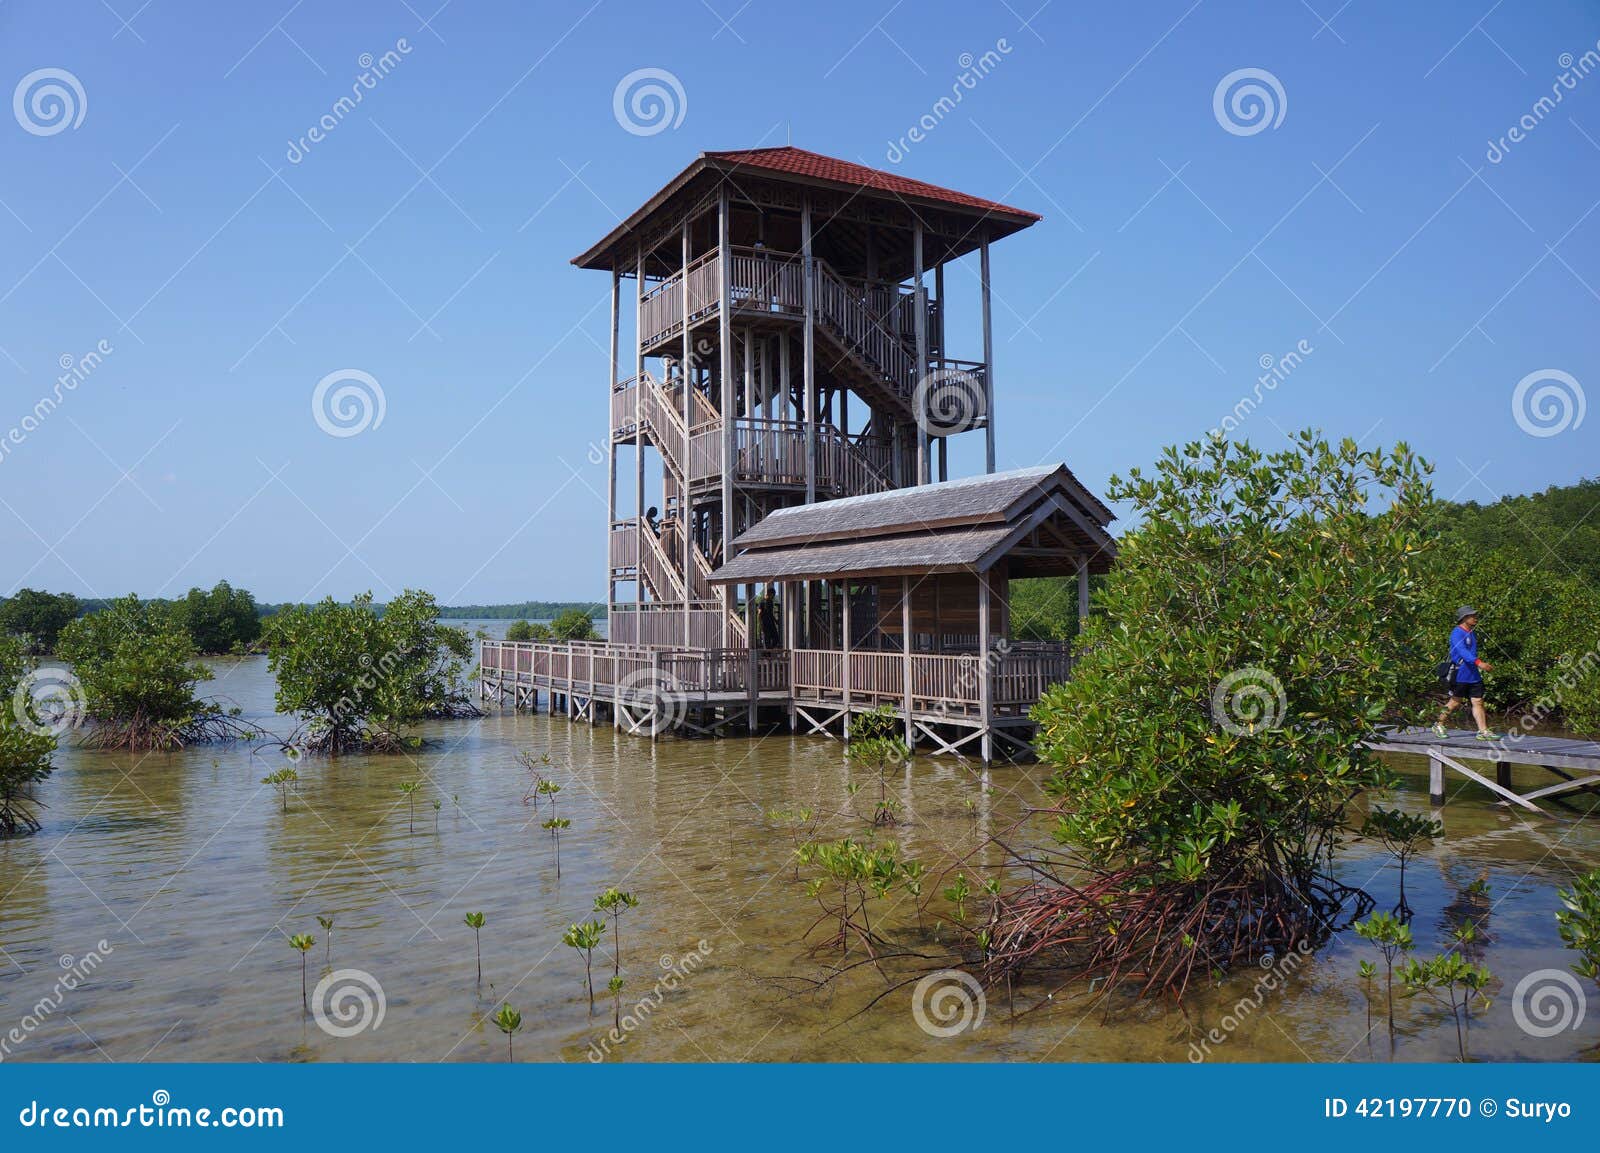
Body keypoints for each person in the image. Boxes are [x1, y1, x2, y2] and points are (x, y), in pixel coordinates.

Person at [1434, 606, 1499, 740]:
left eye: (1476, 615)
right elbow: (1463, 652)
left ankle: (1483, 731)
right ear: (1464, 618)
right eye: (1472, 616)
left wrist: (1477, 665)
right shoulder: (1456, 633)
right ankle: (1438, 724)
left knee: (1478, 701)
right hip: (1460, 673)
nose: (1475, 618)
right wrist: (1479, 663)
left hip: (1473, 674)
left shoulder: (1471, 632)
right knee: (1455, 702)